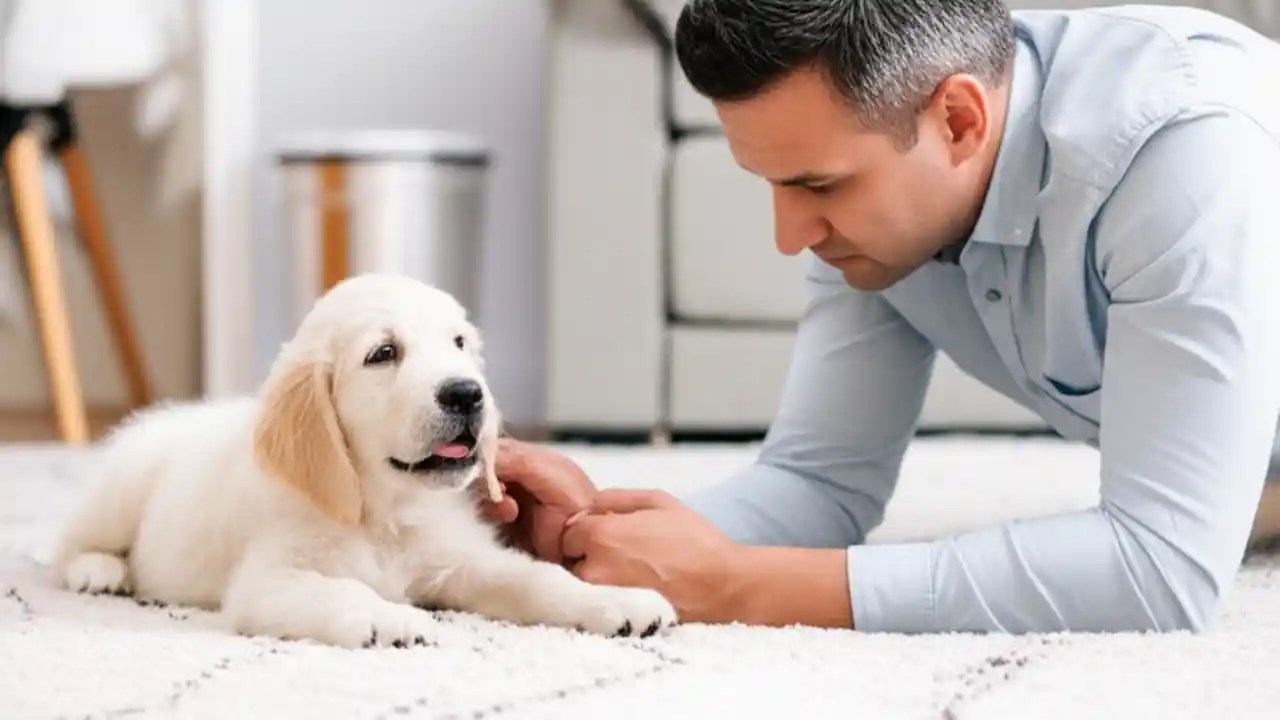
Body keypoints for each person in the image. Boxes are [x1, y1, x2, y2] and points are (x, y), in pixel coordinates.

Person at [488, 0, 1280, 634]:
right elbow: (817, 483)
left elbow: (1160, 575)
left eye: (821, 186)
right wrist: (588, 532)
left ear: (959, 121)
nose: (788, 236)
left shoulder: (1182, 154)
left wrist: (743, 588)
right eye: (773, 186)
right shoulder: (883, 230)